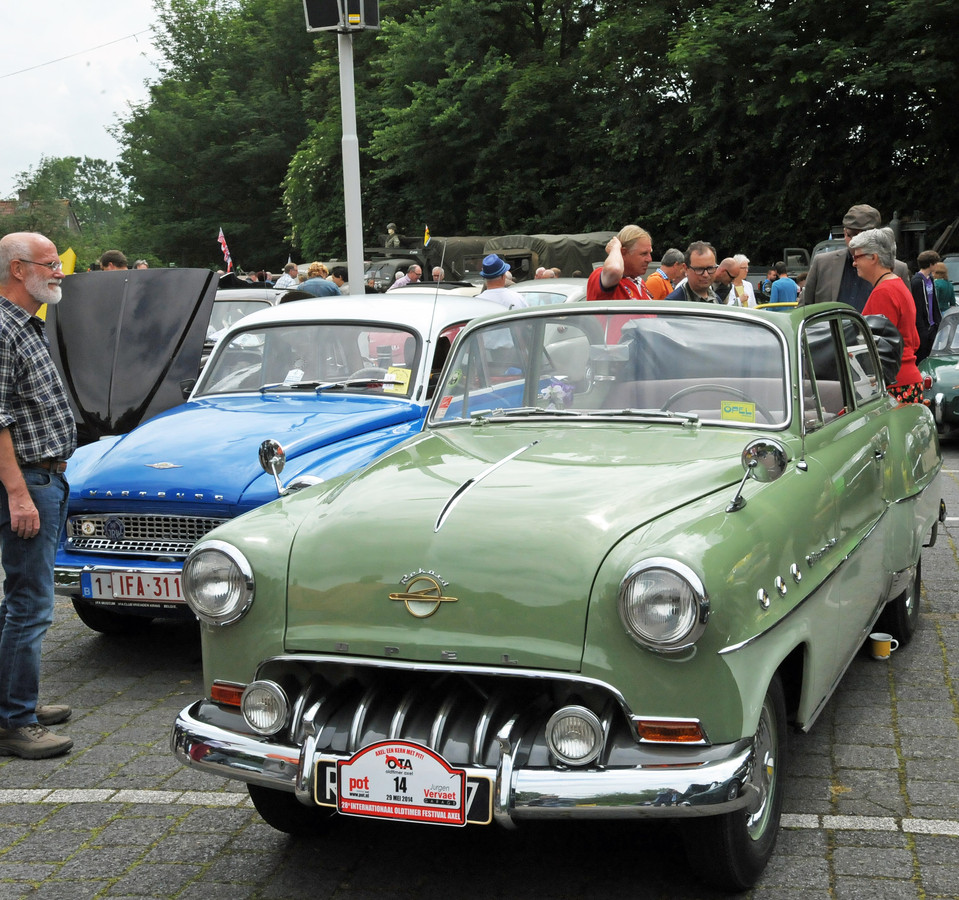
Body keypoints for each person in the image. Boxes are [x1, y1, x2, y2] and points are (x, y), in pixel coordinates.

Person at [0, 232, 77, 759]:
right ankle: (15, 722)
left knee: (20, 603)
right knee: (31, 604)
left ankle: (13, 701)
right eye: (50, 263)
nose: (59, 271)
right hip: (27, 479)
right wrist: (19, 493)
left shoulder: (25, 324)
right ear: (18, 268)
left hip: (39, 476)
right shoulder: (4, 329)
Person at [849, 228, 922, 403]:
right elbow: (915, 341)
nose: (854, 263)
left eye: (857, 257)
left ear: (873, 257)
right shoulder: (897, 285)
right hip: (906, 380)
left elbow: (874, 350)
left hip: (893, 384)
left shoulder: (883, 292)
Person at [801, 204, 910, 310]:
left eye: (863, 236)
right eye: (852, 234)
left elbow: (906, 315)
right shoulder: (822, 263)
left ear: (876, 236)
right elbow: (803, 310)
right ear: (844, 232)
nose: (855, 241)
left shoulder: (898, 270)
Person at [587, 226, 654, 301]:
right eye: (644, 254)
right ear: (623, 252)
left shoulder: (639, 282)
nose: (649, 259)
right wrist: (615, 247)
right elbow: (615, 269)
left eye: (649, 253)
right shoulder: (601, 276)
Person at [912, 250, 942, 362]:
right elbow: (918, 306)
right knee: (922, 355)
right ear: (931, 264)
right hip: (923, 327)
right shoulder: (917, 281)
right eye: (935, 263)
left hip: (933, 325)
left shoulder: (931, 279)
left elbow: (934, 301)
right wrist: (922, 328)